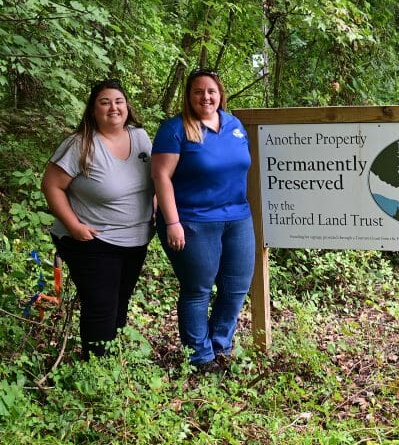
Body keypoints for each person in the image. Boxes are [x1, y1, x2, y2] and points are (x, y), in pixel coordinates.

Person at [151, 69, 255, 372]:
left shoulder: (234, 125)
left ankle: (221, 347)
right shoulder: (175, 129)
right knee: (197, 289)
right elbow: (161, 175)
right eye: (198, 91)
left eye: (211, 91)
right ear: (189, 96)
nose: (205, 97)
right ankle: (200, 357)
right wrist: (172, 222)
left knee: (235, 287)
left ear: (220, 93)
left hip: (237, 218)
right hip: (193, 221)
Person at [41, 79, 154, 359]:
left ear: (127, 106)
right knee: (101, 305)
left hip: (136, 238)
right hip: (93, 240)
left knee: (120, 300)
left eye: (118, 101)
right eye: (105, 102)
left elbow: (154, 178)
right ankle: (94, 365)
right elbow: (51, 185)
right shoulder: (81, 145)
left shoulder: (140, 137)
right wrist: (74, 226)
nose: (113, 107)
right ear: (93, 110)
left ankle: (110, 360)